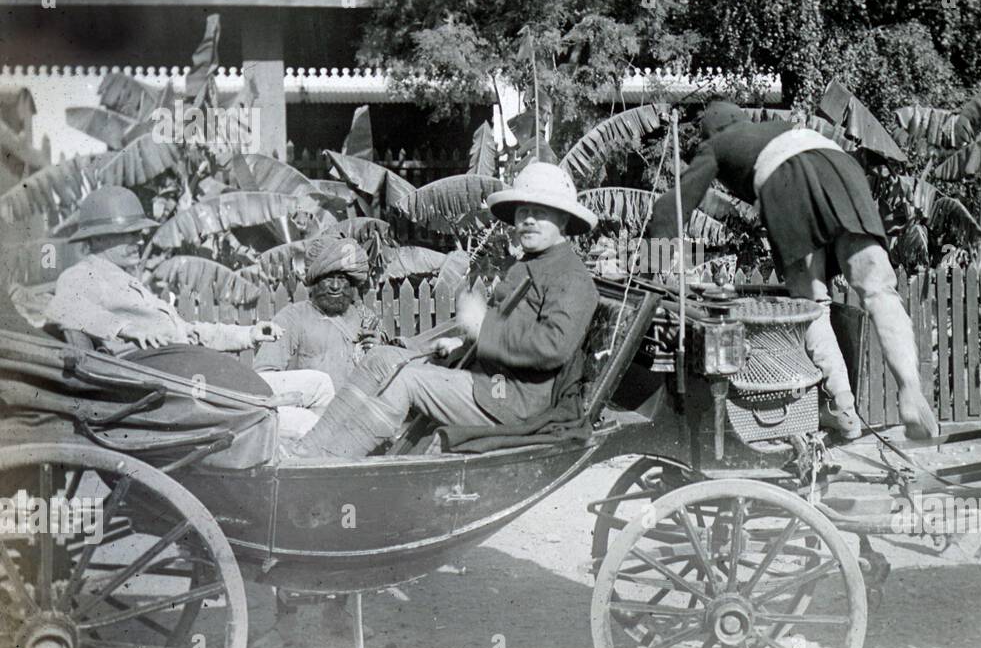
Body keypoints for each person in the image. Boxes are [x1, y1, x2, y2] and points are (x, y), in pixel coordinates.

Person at [647, 100, 939, 441]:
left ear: (711, 132)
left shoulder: (716, 145)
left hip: (787, 180)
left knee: (812, 303)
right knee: (878, 290)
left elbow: (674, 205)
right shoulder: (781, 127)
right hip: (842, 170)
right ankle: (911, 391)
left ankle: (843, 408)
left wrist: (654, 265)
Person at [292, 162, 600, 459]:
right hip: (490, 378)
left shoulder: (571, 277)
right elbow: (512, 326)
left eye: (540, 213)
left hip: (513, 399)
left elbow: (553, 347)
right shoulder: (530, 263)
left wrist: (484, 331)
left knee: (407, 382)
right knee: (380, 359)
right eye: (523, 212)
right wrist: (466, 343)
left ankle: (329, 465)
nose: (529, 220)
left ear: (563, 220)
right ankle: (306, 451)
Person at [44, 185, 331, 438]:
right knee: (310, 426)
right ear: (97, 239)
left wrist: (249, 333)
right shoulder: (83, 275)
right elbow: (61, 307)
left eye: (138, 233)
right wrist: (123, 327)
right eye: (127, 235)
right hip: (179, 397)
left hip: (198, 380)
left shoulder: (125, 280)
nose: (139, 240)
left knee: (320, 384)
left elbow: (190, 332)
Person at [254, 235, 385, 391]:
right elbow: (265, 375)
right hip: (315, 411)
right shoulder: (293, 317)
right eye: (328, 278)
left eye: (342, 278)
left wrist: (379, 353)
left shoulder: (366, 319)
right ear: (315, 280)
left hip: (359, 410)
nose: (335, 286)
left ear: (352, 282)